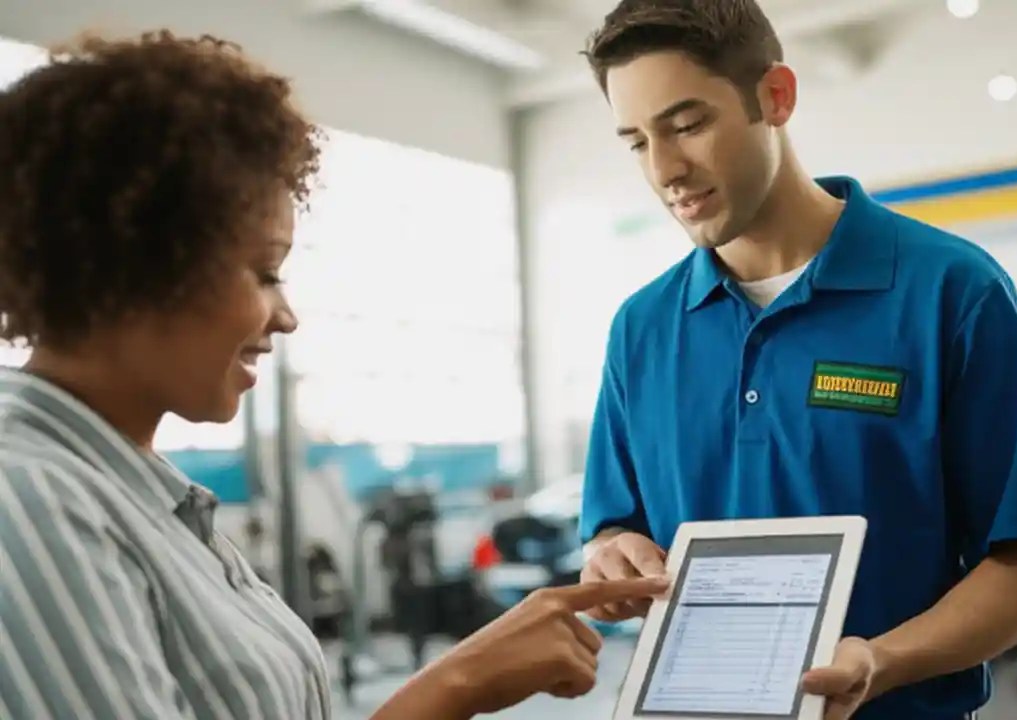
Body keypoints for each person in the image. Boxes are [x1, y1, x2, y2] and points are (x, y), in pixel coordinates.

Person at [0, 31, 668, 720]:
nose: (285, 317)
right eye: (264, 273)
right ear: (134, 264)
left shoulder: (144, 497)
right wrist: (458, 683)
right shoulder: (29, 500)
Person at [575, 1, 1017, 719]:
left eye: (687, 125)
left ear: (776, 97)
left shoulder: (952, 292)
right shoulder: (641, 329)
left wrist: (881, 661)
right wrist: (611, 551)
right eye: (636, 141)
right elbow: (612, 528)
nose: (665, 170)